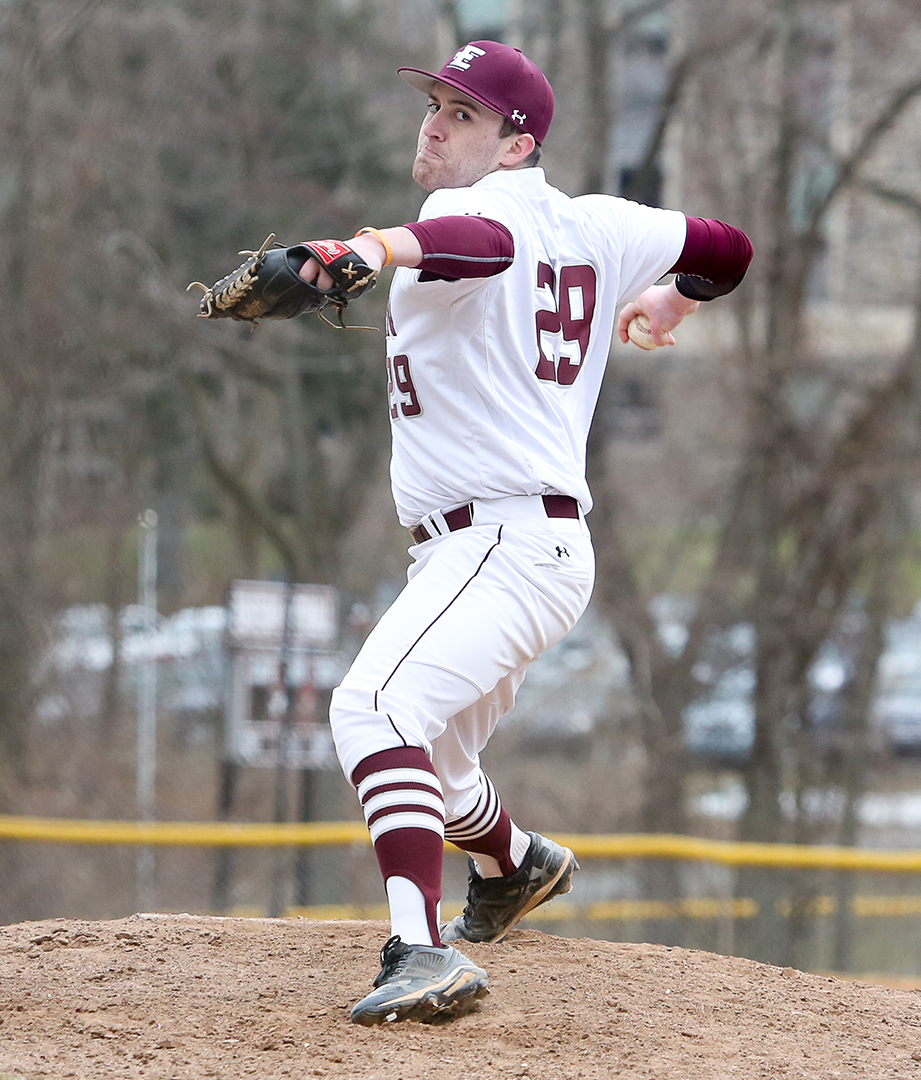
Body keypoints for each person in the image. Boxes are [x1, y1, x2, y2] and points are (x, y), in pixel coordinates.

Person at [300, 40, 753, 1025]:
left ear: (518, 143)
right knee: (441, 765)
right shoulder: (602, 225)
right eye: (434, 103)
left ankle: (420, 953)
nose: (434, 122)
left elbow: (481, 250)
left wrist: (370, 250)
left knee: (372, 713)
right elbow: (727, 248)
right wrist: (671, 297)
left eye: (463, 114)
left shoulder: (480, 216)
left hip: (498, 543)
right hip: (519, 548)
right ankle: (512, 865)